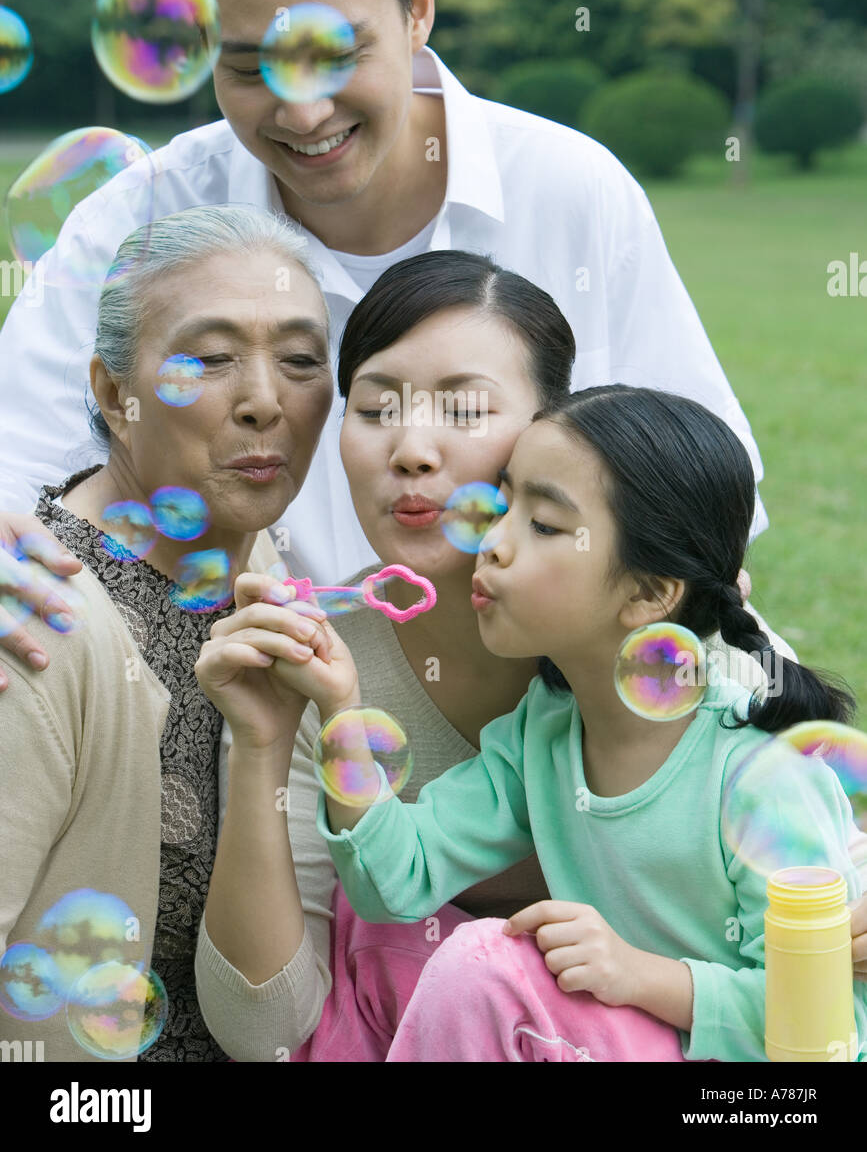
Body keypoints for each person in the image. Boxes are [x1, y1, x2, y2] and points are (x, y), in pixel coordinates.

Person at [0, 0, 769, 686]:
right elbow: (15, 458)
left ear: (416, 10)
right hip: (241, 687)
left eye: (334, 55)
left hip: (538, 691)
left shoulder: (569, 190)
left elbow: (699, 493)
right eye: (249, 68)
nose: (301, 113)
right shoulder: (142, 216)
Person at [192, 252, 846, 1063]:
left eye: (464, 409)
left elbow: (828, 1017)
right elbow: (388, 886)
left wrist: (644, 976)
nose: (412, 451)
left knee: (478, 965)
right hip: (574, 1034)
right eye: (374, 407)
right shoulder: (543, 730)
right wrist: (334, 713)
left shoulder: (742, 732)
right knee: (402, 944)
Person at [0, 205, 333, 1061]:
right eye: (211, 359)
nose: (265, 401)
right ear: (115, 395)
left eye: (300, 360)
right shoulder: (35, 623)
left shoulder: (274, 575)